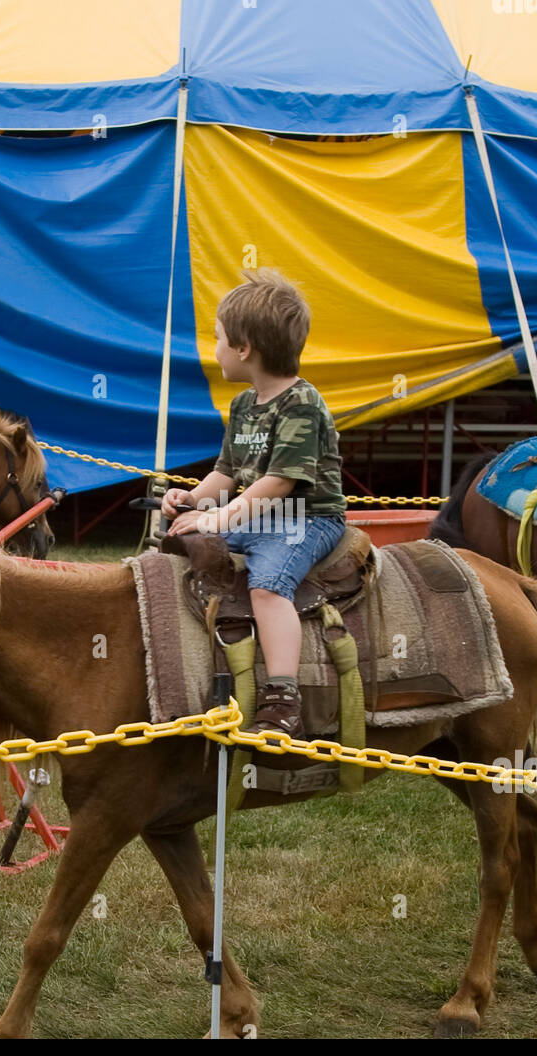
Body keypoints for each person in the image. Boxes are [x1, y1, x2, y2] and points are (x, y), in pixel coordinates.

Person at [164, 268, 346, 739]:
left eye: (219, 337)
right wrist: (193, 499)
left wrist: (219, 516)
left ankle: (284, 693)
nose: (215, 347)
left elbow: (280, 484)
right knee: (182, 548)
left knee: (268, 586)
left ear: (244, 348)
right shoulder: (245, 404)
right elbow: (227, 471)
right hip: (258, 512)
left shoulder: (302, 404)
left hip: (306, 519)